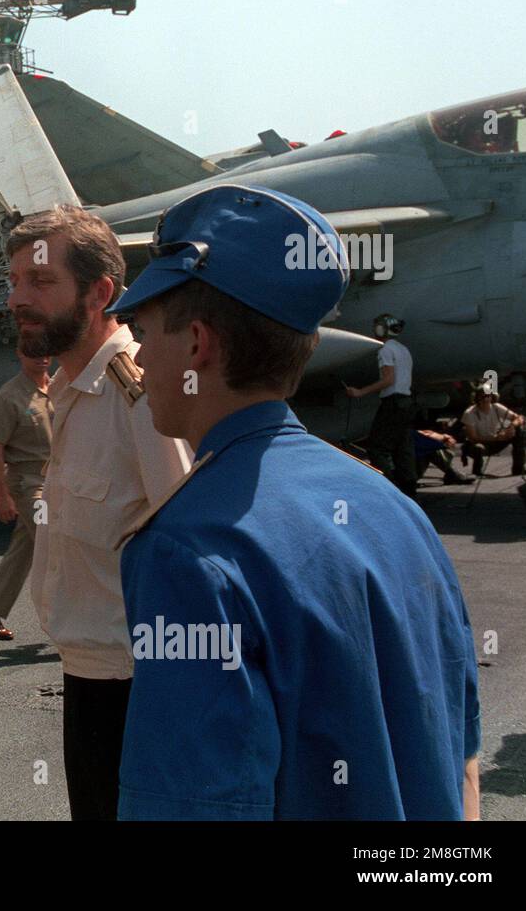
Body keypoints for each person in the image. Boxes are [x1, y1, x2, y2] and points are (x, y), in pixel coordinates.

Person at [108, 184, 481, 820]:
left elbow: (196, 806)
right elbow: (462, 756)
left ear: (197, 343)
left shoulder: (189, 550)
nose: (138, 358)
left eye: (143, 332)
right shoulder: (396, 509)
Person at [7, 205, 192, 820]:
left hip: (138, 687)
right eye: (15, 282)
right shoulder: (68, 389)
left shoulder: (138, 396)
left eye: (40, 281)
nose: (17, 299)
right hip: (87, 675)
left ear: (100, 293)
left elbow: (192, 553)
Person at [0, 347, 53, 640]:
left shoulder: (57, 388)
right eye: (34, 351)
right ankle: (63, 620)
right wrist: (1, 495)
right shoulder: (8, 397)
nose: (42, 356)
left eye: (45, 349)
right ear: (20, 354)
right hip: (29, 485)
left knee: (24, 549)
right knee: (55, 544)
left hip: (55, 481)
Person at [345, 313, 417, 497]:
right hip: (407, 403)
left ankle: (389, 489)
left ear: (380, 329)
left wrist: (360, 392)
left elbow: (388, 380)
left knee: (377, 448)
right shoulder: (404, 349)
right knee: (403, 449)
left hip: (393, 403)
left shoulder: (385, 349)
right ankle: (409, 491)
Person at [460, 387, 526, 477]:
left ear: (492, 397)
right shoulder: (470, 413)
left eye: (487, 396)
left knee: (518, 431)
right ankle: (477, 472)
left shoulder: (496, 407)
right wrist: (496, 438)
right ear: (476, 399)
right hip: (477, 444)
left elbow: (519, 418)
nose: (485, 399)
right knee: (478, 448)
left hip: (495, 442)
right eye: (481, 397)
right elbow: (473, 437)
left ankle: (519, 468)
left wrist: (511, 427)